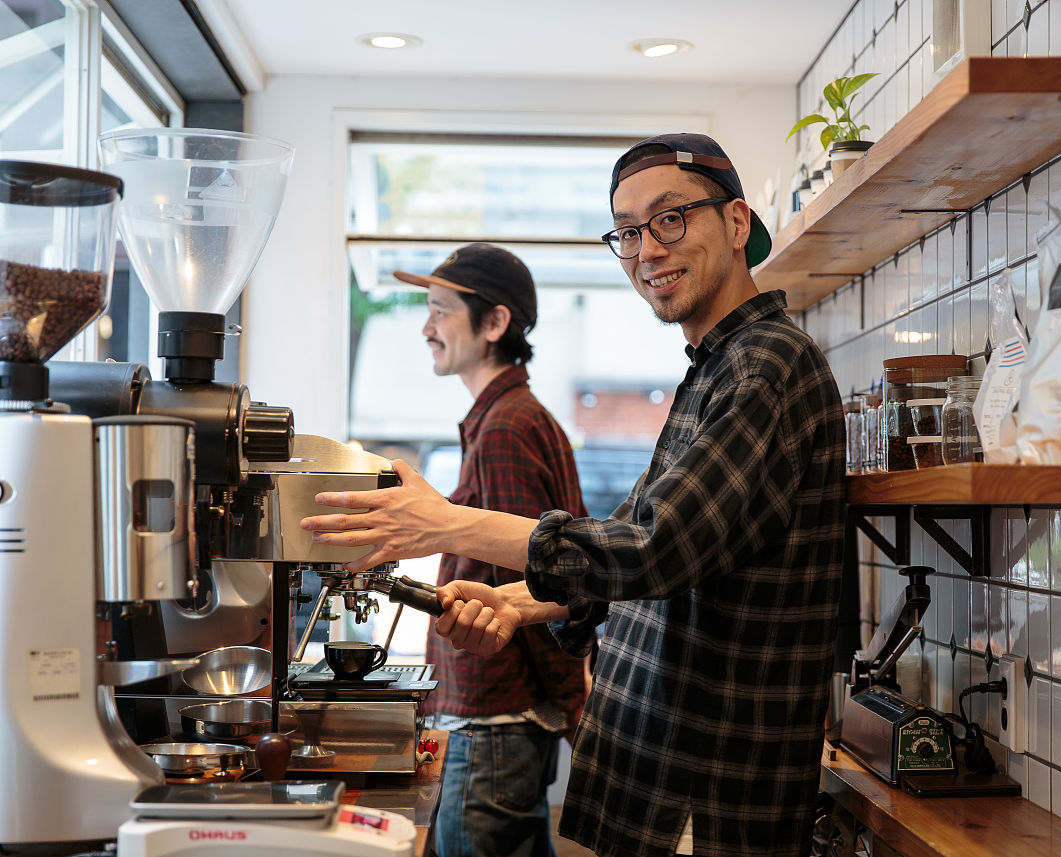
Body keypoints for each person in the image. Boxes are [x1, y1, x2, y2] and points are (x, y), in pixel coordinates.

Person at [303, 134, 847, 857]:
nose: (647, 248)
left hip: (706, 788)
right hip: (665, 773)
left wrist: (442, 525)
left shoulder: (763, 366)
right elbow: (640, 542)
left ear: (739, 222)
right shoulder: (714, 372)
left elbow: (654, 547)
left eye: (670, 218)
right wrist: (519, 602)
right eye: (626, 232)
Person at [393, 242, 591, 857]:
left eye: (441, 310)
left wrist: (571, 699)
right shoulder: (505, 419)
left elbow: (543, 576)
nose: (427, 327)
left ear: (495, 322)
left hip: (494, 720)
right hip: (500, 720)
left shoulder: (506, 428)